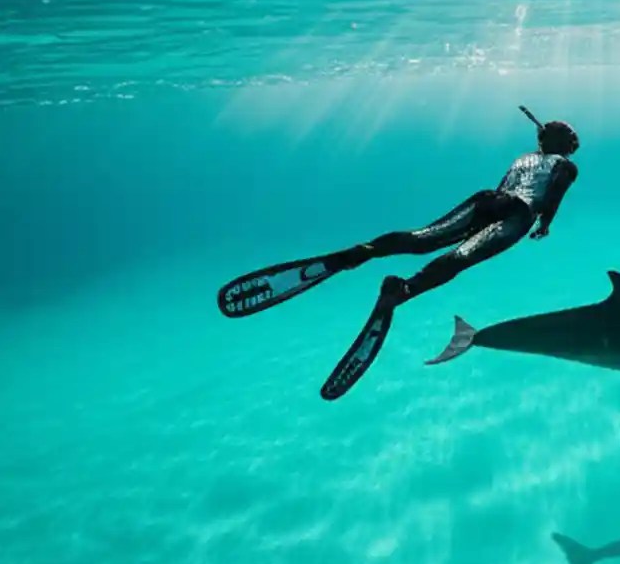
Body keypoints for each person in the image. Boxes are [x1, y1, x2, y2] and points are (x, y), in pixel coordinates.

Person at [217, 105, 580, 400]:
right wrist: (544, 224)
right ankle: (403, 291)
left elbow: (507, 186)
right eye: (571, 137)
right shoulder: (566, 165)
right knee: (461, 258)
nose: (574, 142)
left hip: (488, 199)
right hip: (518, 214)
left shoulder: (523, 157)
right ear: (563, 143)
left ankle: (359, 253)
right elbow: (552, 194)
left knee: (421, 238)